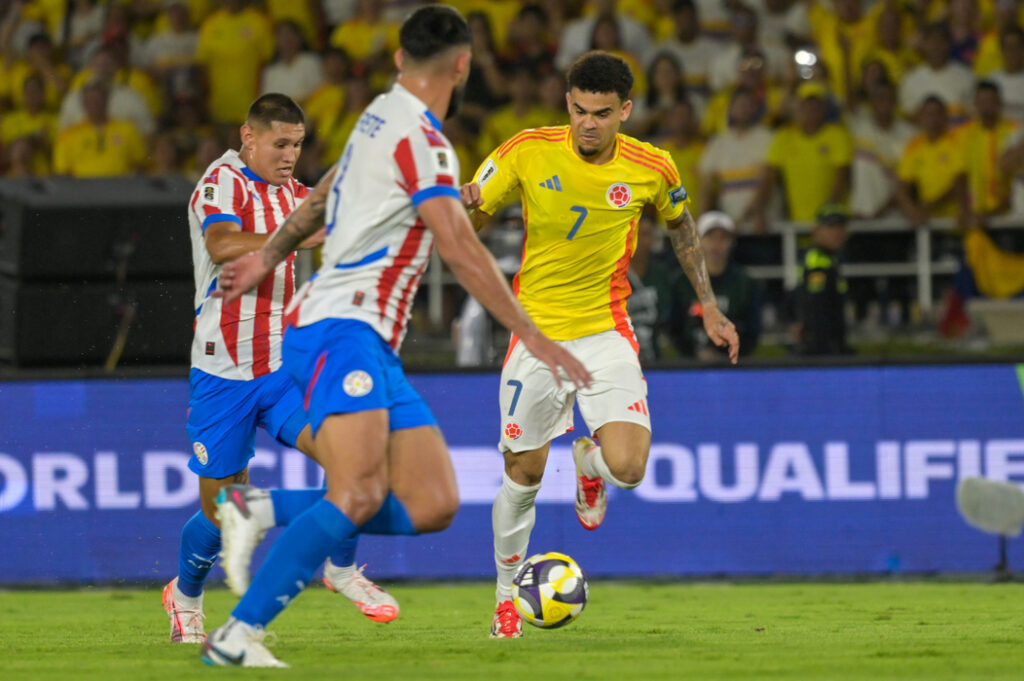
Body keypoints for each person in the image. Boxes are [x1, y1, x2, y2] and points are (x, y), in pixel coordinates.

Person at [202, 6, 592, 667]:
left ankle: (259, 506)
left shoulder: (376, 117)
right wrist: (535, 335)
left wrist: (267, 257)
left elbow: (319, 198)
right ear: (463, 65)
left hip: (365, 340)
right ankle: (237, 635)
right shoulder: (426, 143)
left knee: (434, 502)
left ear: (399, 60)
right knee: (355, 492)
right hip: (340, 328)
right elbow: (459, 246)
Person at [460, 50, 739, 639]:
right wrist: (465, 208)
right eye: (580, 110)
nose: (588, 123)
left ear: (625, 111)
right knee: (523, 475)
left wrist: (710, 304)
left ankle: (589, 461)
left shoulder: (652, 166)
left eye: (602, 113)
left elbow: (682, 227)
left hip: (605, 330)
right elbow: (473, 215)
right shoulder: (527, 150)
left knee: (629, 469)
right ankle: (506, 599)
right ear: (568, 103)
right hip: (536, 333)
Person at [161, 92, 398, 647]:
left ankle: (341, 569)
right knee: (222, 513)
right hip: (223, 375)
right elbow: (222, 244)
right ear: (249, 136)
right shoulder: (223, 182)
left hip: (283, 371)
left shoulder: (296, 195)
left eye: (298, 145)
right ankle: (185, 597)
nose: (291, 155)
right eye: (281, 143)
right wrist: (301, 233)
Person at [667, 211, 760, 360]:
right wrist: (694, 356)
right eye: (710, 237)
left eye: (723, 238)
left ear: (732, 242)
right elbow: (673, 328)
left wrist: (730, 357)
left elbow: (752, 329)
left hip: (734, 365)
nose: (717, 244)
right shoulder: (682, 282)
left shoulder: (744, 283)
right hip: (690, 365)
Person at [788, 204, 851, 356]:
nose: (837, 232)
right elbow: (815, 305)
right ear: (816, 231)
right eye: (831, 227)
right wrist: (828, 346)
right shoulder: (817, 261)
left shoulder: (830, 258)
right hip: (821, 348)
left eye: (840, 227)